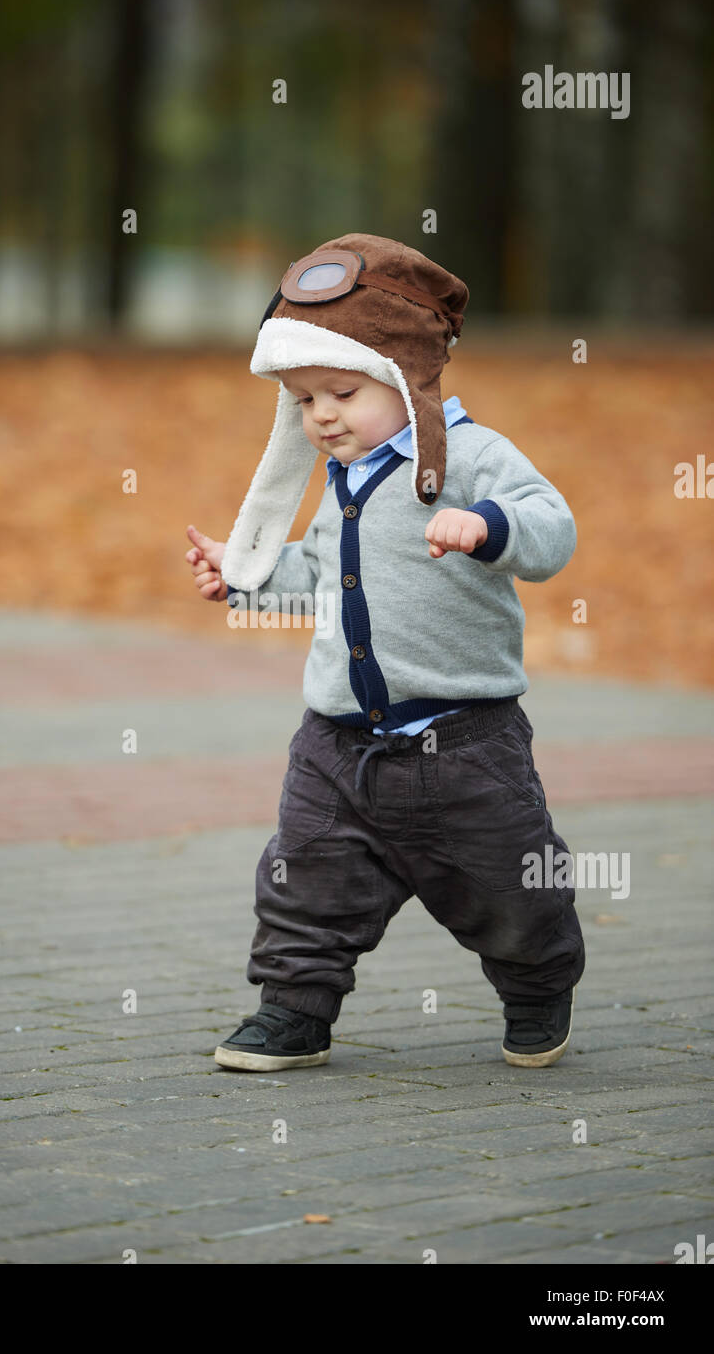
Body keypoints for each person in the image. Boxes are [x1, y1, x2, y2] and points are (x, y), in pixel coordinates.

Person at [184, 232, 584, 1072]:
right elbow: (324, 571)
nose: (320, 415)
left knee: (512, 886)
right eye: (302, 401)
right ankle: (292, 1009)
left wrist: (488, 528)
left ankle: (538, 986)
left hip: (464, 742)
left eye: (340, 392)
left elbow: (552, 531)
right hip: (337, 744)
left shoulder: (472, 456)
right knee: (304, 877)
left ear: (407, 378)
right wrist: (248, 575)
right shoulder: (346, 475)